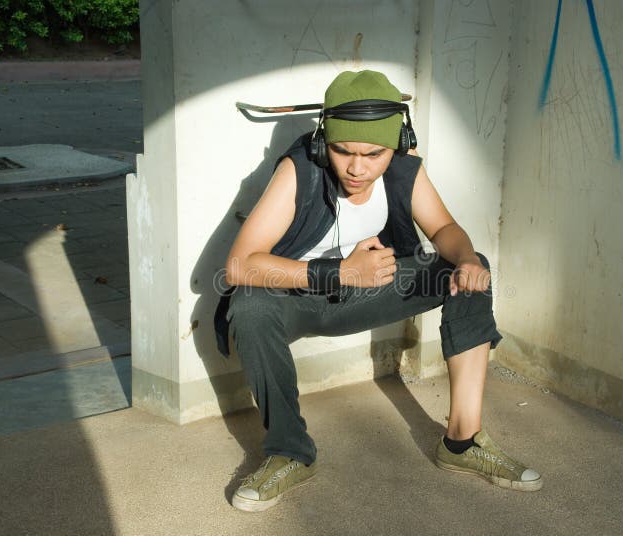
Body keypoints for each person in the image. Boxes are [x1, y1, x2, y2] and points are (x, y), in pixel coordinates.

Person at [215, 70, 542, 512]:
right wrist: (338, 273)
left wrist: (463, 258)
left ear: (397, 142)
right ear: (321, 142)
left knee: (470, 269)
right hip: (303, 298)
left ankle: (463, 443)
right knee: (249, 305)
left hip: (372, 287)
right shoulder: (300, 172)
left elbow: (444, 228)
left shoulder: (405, 169)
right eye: (342, 150)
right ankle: (289, 453)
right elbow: (239, 265)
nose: (356, 167)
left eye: (374, 153)